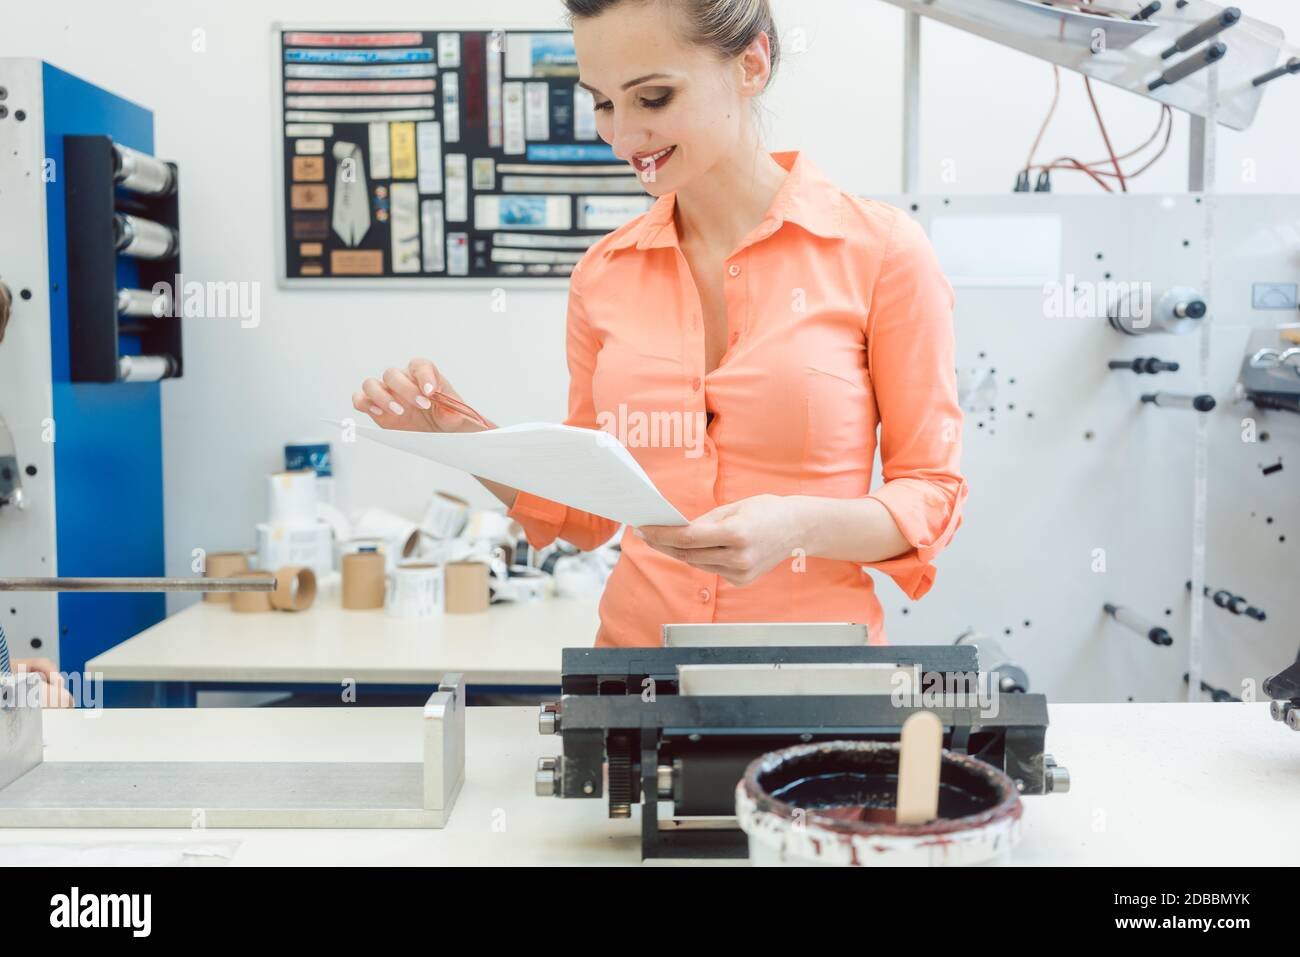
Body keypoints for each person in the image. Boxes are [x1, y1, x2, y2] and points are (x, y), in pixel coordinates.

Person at [352, 0, 967, 647]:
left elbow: (931, 493)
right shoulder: (603, 273)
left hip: (813, 680)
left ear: (751, 64)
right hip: (634, 674)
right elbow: (586, 512)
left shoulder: (881, 251)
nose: (621, 138)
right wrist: (463, 438)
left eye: (652, 98)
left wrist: (799, 525)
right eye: (603, 103)